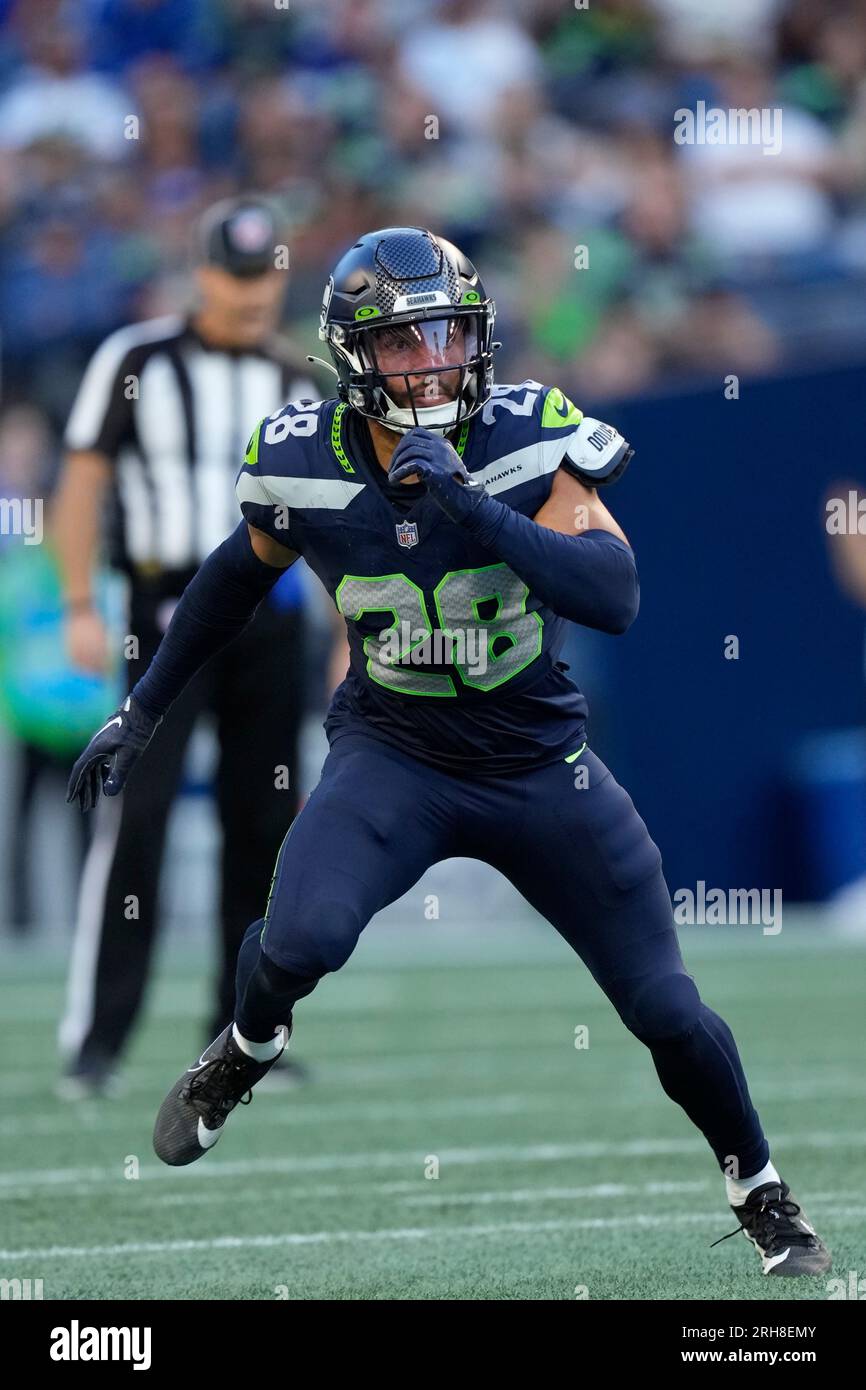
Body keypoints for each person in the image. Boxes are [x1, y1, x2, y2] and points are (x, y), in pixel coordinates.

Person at [69, 226, 829, 1276]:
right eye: (402, 343)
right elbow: (229, 580)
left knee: (664, 1006)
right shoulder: (302, 455)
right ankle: (243, 1049)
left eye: (446, 336)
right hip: (395, 759)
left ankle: (760, 1188)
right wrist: (142, 710)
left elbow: (612, 594)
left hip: (538, 763)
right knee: (297, 944)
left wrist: (467, 502)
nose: (431, 363)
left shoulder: (524, 432)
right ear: (351, 358)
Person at [55, 197, 320, 1095]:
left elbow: (337, 518)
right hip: (165, 611)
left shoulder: (301, 379)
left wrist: (352, 630)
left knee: (265, 828)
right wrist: (80, 602)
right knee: (139, 819)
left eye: (264, 276)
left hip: (273, 619)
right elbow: (83, 479)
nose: (251, 295)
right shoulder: (136, 361)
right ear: (200, 274)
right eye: (234, 276)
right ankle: (98, 1037)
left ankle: (243, 1039)